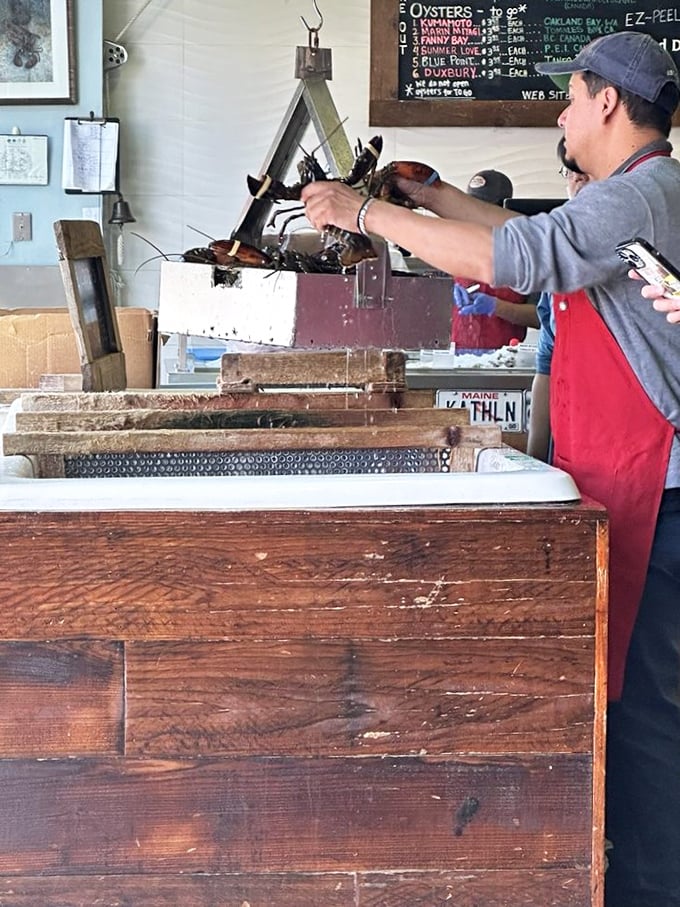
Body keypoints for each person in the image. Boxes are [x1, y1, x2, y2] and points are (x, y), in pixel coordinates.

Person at [303, 30, 680, 907]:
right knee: (637, 711)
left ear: (608, 104)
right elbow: (534, 234)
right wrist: (429, 196)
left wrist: (362, 214)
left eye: (572, 96)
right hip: (638, 488)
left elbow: (507, 262)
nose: (561, 112)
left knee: (651, 724)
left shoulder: (643, 196)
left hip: (657, 494)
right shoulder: (637, 194)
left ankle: (650, 887)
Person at [527, 138, 591, 461]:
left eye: (586, 172)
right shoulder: (555, 255)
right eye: (570, 173)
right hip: (571, 448)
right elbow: (546, 365)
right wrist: (535, 459)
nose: (578, 181)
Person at [452, 168, 539, 350]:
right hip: (455, 360)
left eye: (484, 209)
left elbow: (541, 316)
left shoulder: (527, 253)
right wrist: (444, 295)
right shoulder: (452, 246)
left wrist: (497, 307)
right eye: (471, 207)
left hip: (504, 363)